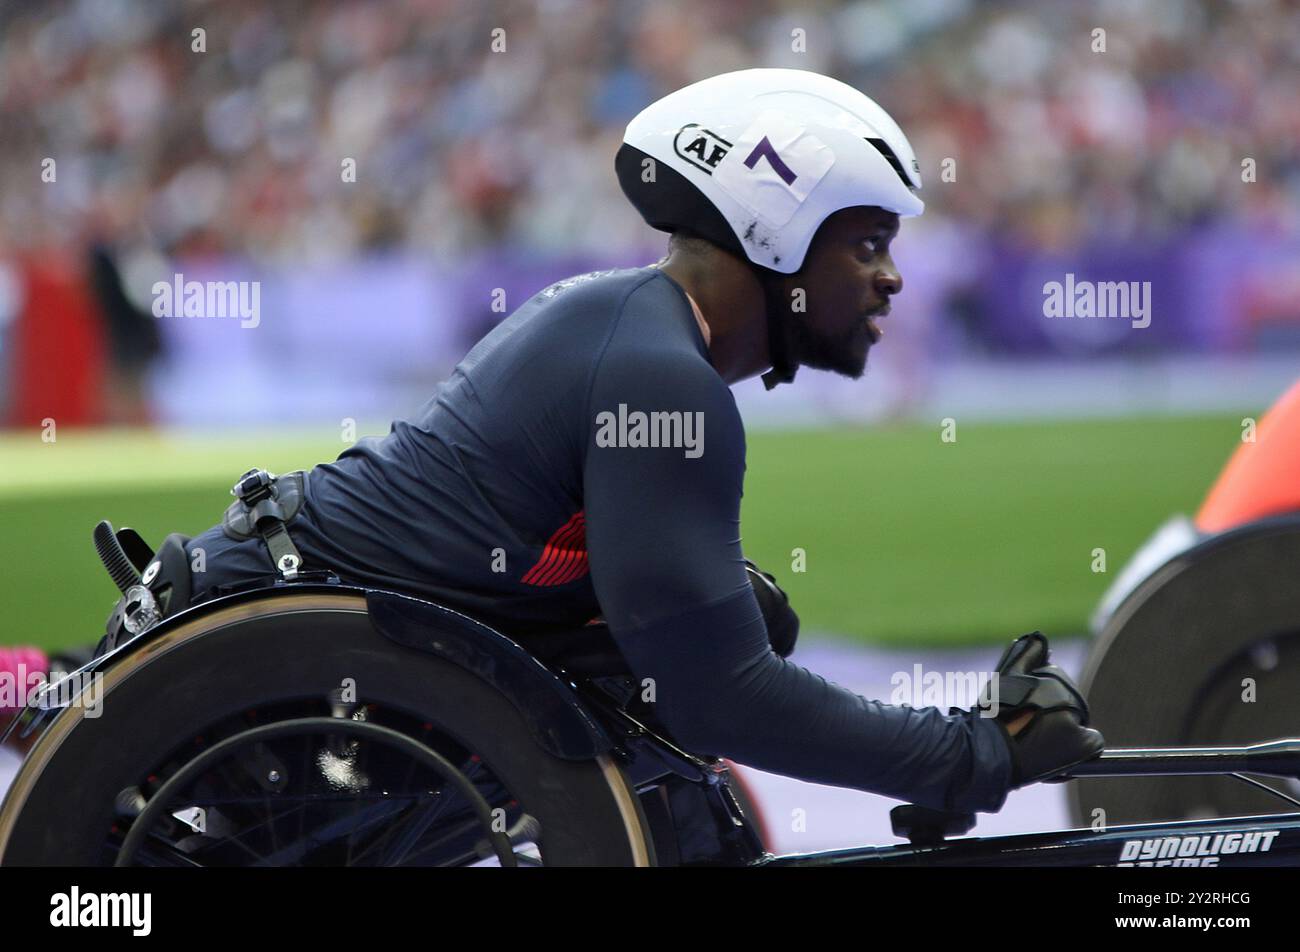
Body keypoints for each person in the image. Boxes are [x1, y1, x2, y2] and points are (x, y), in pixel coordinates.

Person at [10, 70, 1105, 812]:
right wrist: (978, 752)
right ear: (774, 233)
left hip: (263, 635)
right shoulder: (659, 379)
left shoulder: (629, 328)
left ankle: (34, 684)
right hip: (255, 691)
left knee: (731, 647)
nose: (891, 276)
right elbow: (721, 697)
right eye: (865, 241)